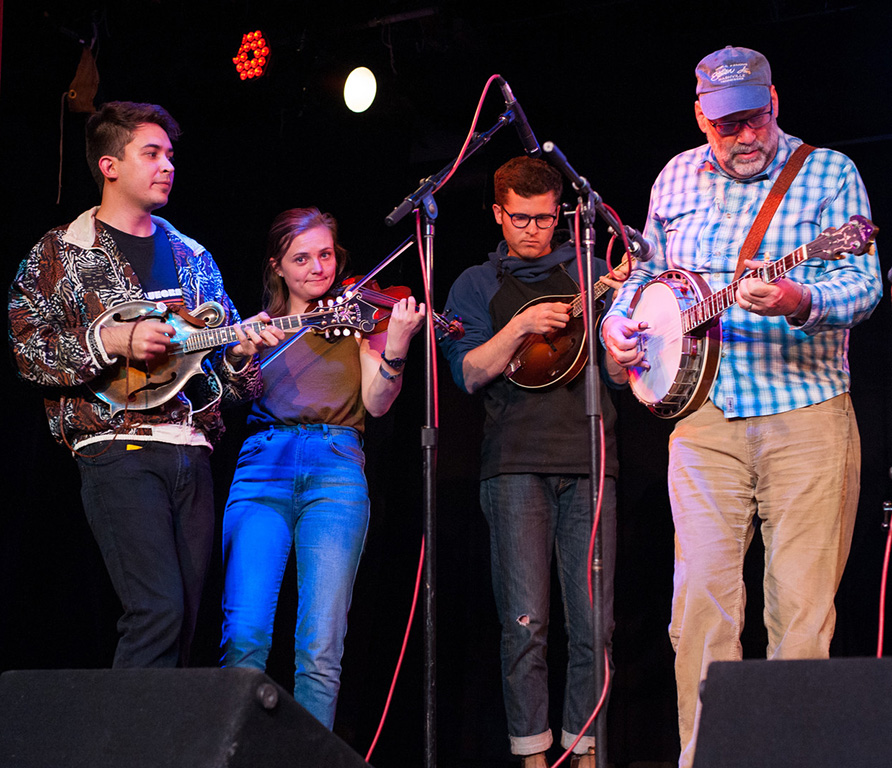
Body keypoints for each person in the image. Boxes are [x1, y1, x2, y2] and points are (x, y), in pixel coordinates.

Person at [601, 46, 882, 768]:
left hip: (808, 413)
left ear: (775, 102)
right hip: (702, 421)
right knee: (699, 610)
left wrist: (799, 297)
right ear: (701, 117)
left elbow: (864, 282)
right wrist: (621, 322)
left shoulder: (828, 174)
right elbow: (646, 278)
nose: (745, 136)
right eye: (727, 125)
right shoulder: (673, 177)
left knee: (802, 612)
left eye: (755, 118)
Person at [8, 102, 282, 668]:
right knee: (156, 610)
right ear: (109, 165)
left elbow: (231, 388)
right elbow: (28, 355)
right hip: (115, 448)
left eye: (171, 156)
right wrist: (112, 343)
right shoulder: (61, 254)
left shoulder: (193, 257)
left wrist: (237, 355)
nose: (167, 166)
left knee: (182, 621)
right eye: (151, 154)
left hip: (191, 451)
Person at [439, 156, 627, 768]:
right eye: (521, 218)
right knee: (526, 626)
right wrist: (520, 326)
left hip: (590, 461)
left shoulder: (593, 271)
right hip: (514, 466)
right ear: (498, 213)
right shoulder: (474, 284)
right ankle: (531, 755)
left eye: (546, 218)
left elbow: (622, 371)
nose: (535, 230)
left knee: (594, 627)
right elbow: (468, 373)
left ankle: (586, 749)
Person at [220, 207, 426, 729]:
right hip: (263, 468)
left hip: (336, 472)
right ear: (278, 268)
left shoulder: (357, 324)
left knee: (320, 648)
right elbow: (227, 400)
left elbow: (377, 404)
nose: (318, 268)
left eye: (326, 255)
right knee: (244, 635)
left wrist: (396, 346)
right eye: (302, 258)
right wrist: (241, 355)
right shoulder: (261, 328)